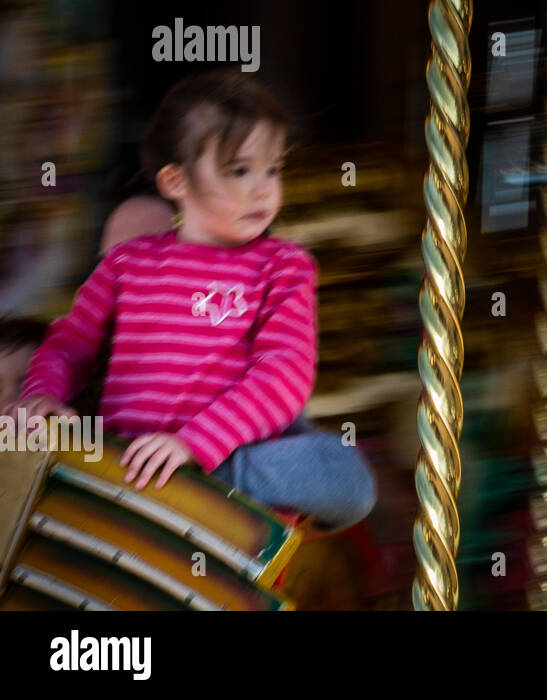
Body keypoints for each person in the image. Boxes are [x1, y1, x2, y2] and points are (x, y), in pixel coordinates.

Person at [1, 71, 375, 531]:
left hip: (225, 452)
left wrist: (196, 445)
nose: (263, 188)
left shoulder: (283, 265)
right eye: (240, 170)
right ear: (176, 181)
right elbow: (70, 345)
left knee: (348, 482)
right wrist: (42, 394)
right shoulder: (126, 264)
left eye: (273, 168)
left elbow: (284, 371)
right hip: (128, 455)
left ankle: (216, 479)